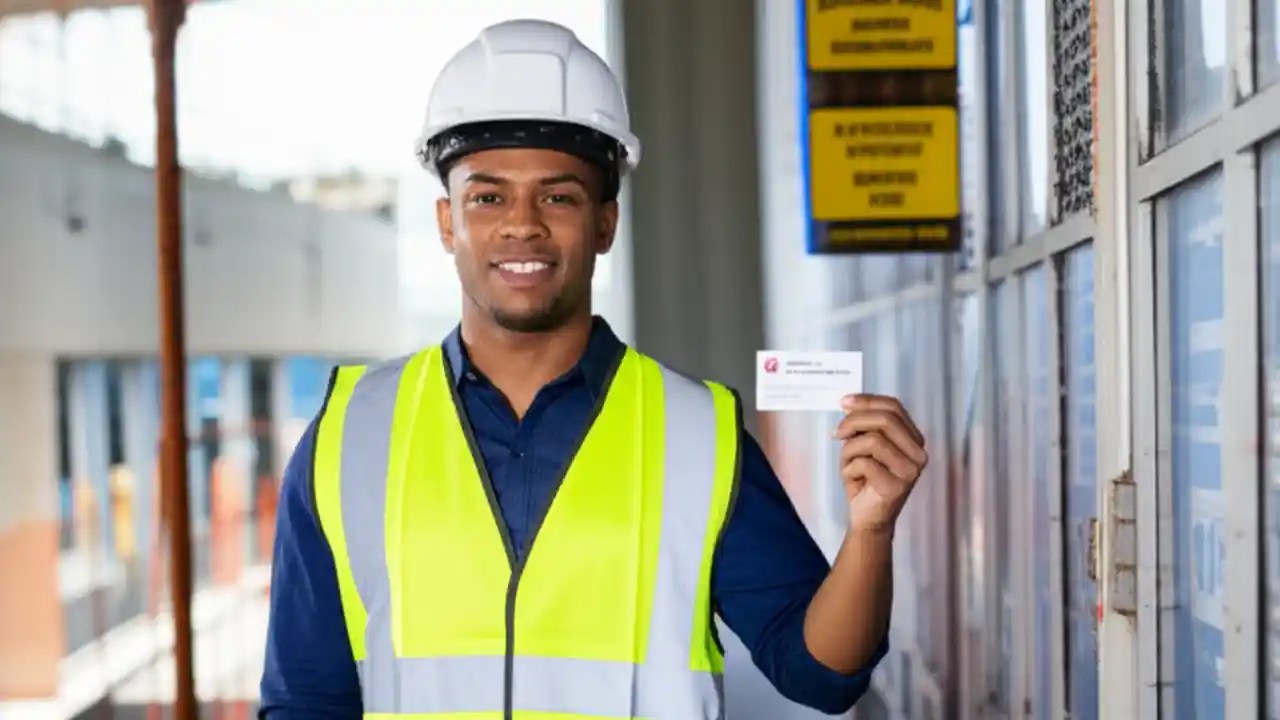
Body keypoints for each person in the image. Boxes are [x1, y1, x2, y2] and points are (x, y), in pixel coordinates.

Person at [258, 18, 928, 720]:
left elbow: (820, 674)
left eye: (559, 195)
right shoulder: (351, 433)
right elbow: (305, 700)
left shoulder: (700, 433)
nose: (523, 224)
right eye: (487, 197)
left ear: (605, 223)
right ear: (447, 221)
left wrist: (871, 529)